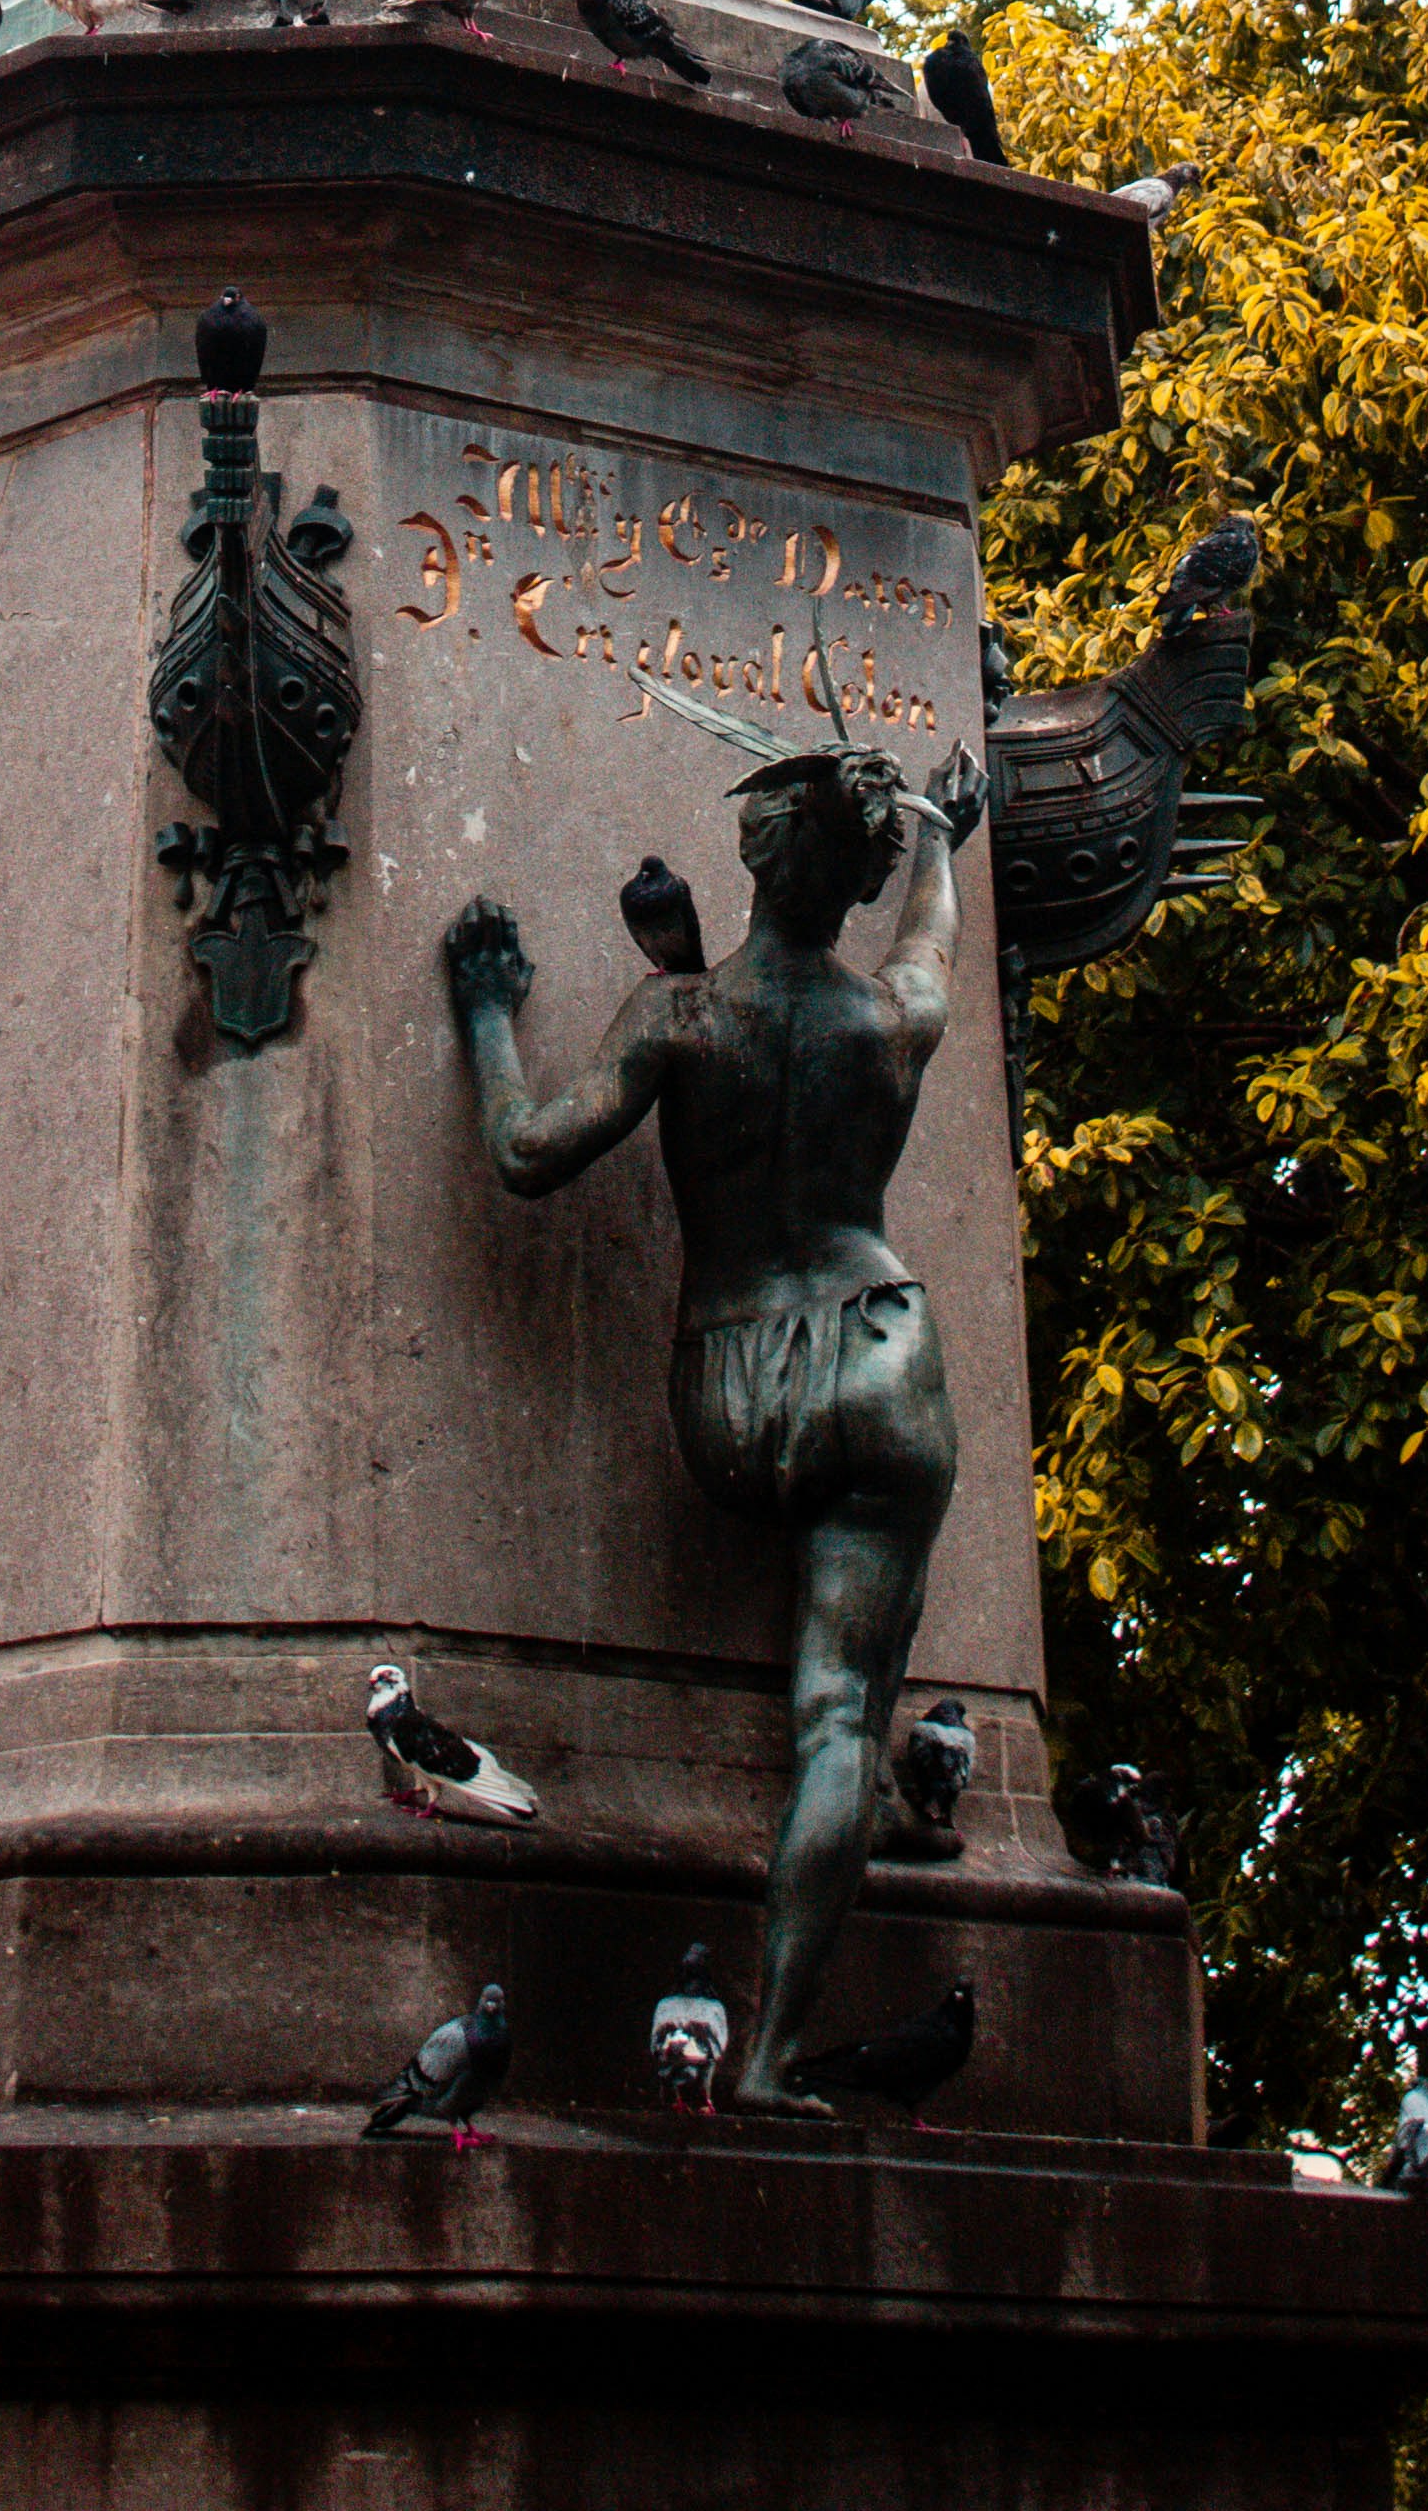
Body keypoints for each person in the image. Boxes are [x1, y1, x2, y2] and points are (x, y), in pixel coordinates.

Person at [443, 741, 988, 2109]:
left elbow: (526, 1154)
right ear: (853, 885)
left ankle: (769, 2025)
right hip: (878, 1358)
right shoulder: (887, 1020)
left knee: (838, 1719)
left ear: (755, 859)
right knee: (841, 1723)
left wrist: (490, 1015)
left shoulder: (678, 1016)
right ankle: (769, 2052)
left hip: (730, 1388)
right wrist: (942, 842)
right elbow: (933, 947)